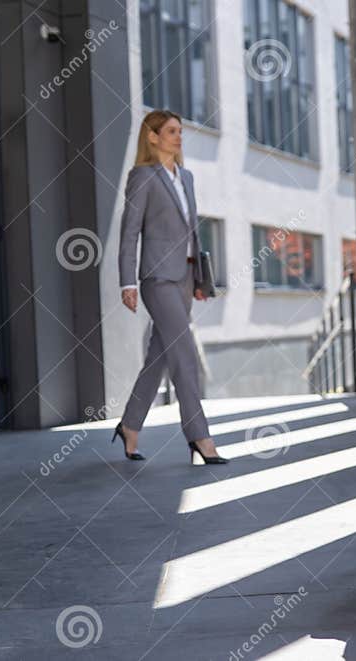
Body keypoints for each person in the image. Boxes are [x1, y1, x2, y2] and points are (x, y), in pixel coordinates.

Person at [114, 109, 227, 465]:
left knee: (159, 357)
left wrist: (199, 280)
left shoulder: (186, 177)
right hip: (157, 278)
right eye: (171, 131)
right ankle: (200, 437)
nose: (179, 137)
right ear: (153, 137)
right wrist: (127, 281)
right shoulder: (142, 176)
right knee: (185, 356)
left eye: (180, 131)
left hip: (185, 278)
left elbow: (193, 233)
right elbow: (130, 232)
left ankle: (130, 426)